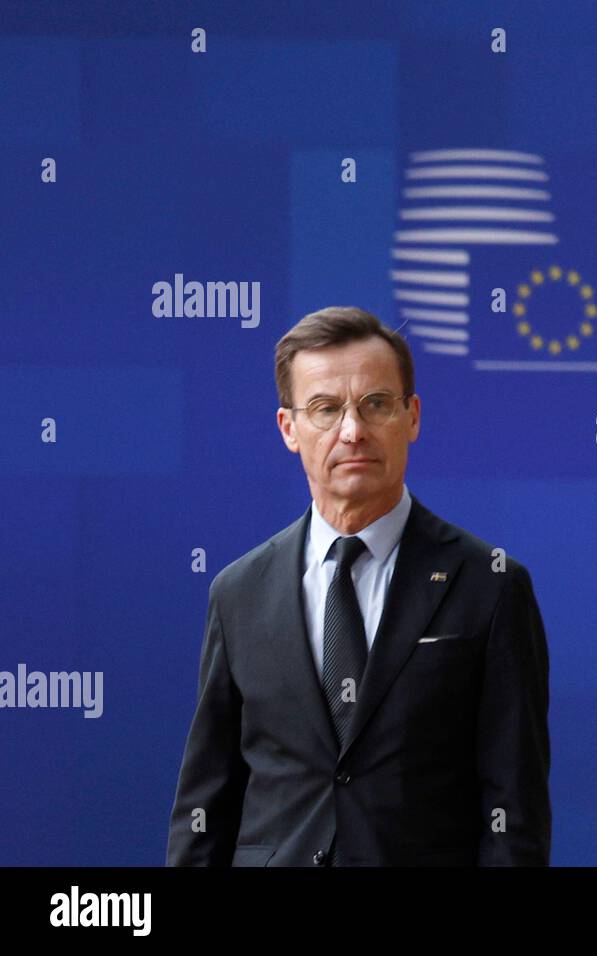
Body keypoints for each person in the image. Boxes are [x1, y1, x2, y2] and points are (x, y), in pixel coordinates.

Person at [166, 306, 550, 866]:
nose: (353, 430)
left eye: (376, 404)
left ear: (412, 416)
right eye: (325, 409)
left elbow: (515, 814)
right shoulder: (239, 592)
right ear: (289, 429)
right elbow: (206, 802)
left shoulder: (491, 586)